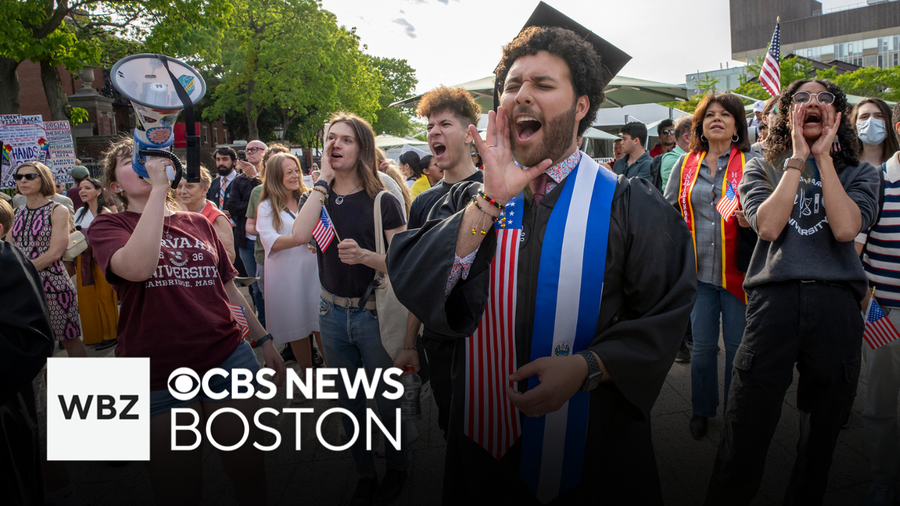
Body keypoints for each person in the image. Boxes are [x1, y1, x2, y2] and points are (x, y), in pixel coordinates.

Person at [387, 6, 696, 503]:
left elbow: (665, 312)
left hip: (590, 442)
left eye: (543, 84)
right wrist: (489, 203)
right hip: (483, 441)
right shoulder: (468, 200)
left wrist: (589, 366)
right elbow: (418, 282)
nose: (522, 94)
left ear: (581, 106)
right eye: (512, 85)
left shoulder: (627, 203)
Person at [705, 80, 879, 505]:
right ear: (786, 115)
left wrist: (825, 158)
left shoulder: (862, 173)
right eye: (801, 99)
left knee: (820, 436)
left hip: (836, 306)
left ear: (839, 115)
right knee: (745, 425)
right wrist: (799, 158)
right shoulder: (759, 166)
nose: (812, 103)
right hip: (774, 303)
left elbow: (846, 228)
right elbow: (767, 226)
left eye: (824, 98)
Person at [87, 138, 285, 504]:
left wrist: (263, 340)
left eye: (148, 156)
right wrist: (158, 191)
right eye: (131, 160)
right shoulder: (107, 226)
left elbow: (227, 287)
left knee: (249, 470)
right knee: (179, 489)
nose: (144, 163)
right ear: (114, 186)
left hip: (226, 358)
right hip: (156, 373)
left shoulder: (198, 222)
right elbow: (137, 268)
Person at [291, 112, 408, 506]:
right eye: (330, 138)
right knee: (348, 403)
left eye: (345, 139)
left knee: (386, 402)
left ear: (362, 148)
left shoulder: (383, 199)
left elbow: (403, 264)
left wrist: (366, 257)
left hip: (372, 313)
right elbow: (299, 235)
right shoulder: (316, 197)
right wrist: (322, 182)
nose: (334, 145)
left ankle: (398, 469)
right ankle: (365, 473)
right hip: (330, 314)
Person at [664, 93, 759, 439]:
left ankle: (736, 410)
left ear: (737, 126)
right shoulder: (686, 163)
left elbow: (771, 211)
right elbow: (668, 211)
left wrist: (753, 218)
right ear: (700, 127)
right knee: (703, 349)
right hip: (698, 274)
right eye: (709, 115)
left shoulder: (753, 161)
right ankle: (702, 409)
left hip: (740, 274)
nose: (716, 119)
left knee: (736, 349)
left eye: (725, 115)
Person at [393, 85, 483, 443]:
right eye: (430, 126)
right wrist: (409, 343)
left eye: (444, 124)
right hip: (441, 339)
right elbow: (418, 280)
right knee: (453, 430)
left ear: (469, 133)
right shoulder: (422, 203)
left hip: (490, 336)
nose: (434, 132)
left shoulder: (497, 189)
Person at [854, 98, 900, 506]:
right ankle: (885, 477)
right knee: (882, 401)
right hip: (885, 311)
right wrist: (870, 306)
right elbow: (854, 252)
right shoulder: (878, 180)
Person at [255, 152, 322, 401]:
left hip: (315, 271)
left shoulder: (310, 198)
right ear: (275, 176)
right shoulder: (266, 206)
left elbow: (325, 226)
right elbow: (270, 241)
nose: (295, 176)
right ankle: (308, 376)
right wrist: (302, 239)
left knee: (321, 324)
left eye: (296, 170)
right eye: (288, 172)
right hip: (286, 276)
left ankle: (334, 377)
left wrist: (318, 240)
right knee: (297, 326)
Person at [0, 212, 55, 506]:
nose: (22, 185)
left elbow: (31, 341)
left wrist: (34, 264)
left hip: (52, 281)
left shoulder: (6, 258)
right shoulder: (21, 211)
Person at [7, 161, 86, 359]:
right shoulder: (16, 213)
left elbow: (54, 253)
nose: (23, 180)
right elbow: (9, 249)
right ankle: (46, 381)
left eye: (29, 176)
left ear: (43, 180)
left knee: (69, 340)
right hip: (24, 288)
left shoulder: (57, 210)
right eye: (18, 177)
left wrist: (20, 272)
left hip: (54, 285)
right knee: (36, 343)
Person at [245, 144, 291, 330]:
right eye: (272, 162)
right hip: (265, 255)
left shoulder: (301, 192)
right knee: (270, 300)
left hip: (295, 256)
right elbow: (249, 226)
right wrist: (266, 230)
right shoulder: (258, 192)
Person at [73, 177, 119, 350]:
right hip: (83, 260)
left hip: (101, 259)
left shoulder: (106, 213)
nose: (82, 191)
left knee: (105, 297)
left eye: (87, 188)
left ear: (98, 191)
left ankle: (111, 334)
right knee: (87, 297)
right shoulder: (79, 212)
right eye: (81, 188)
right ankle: (93, 335)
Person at [175, 166, 236, 263]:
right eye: (179, 186)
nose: (182, 191)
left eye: (189, 186)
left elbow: (229, 257)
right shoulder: (177, 214)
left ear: (205, 189)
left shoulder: (217, 218)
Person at [660, 116, 693, 189]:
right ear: (687, 137)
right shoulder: (673, 160)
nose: (702, 138)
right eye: (698, 135)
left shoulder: (689, 157)